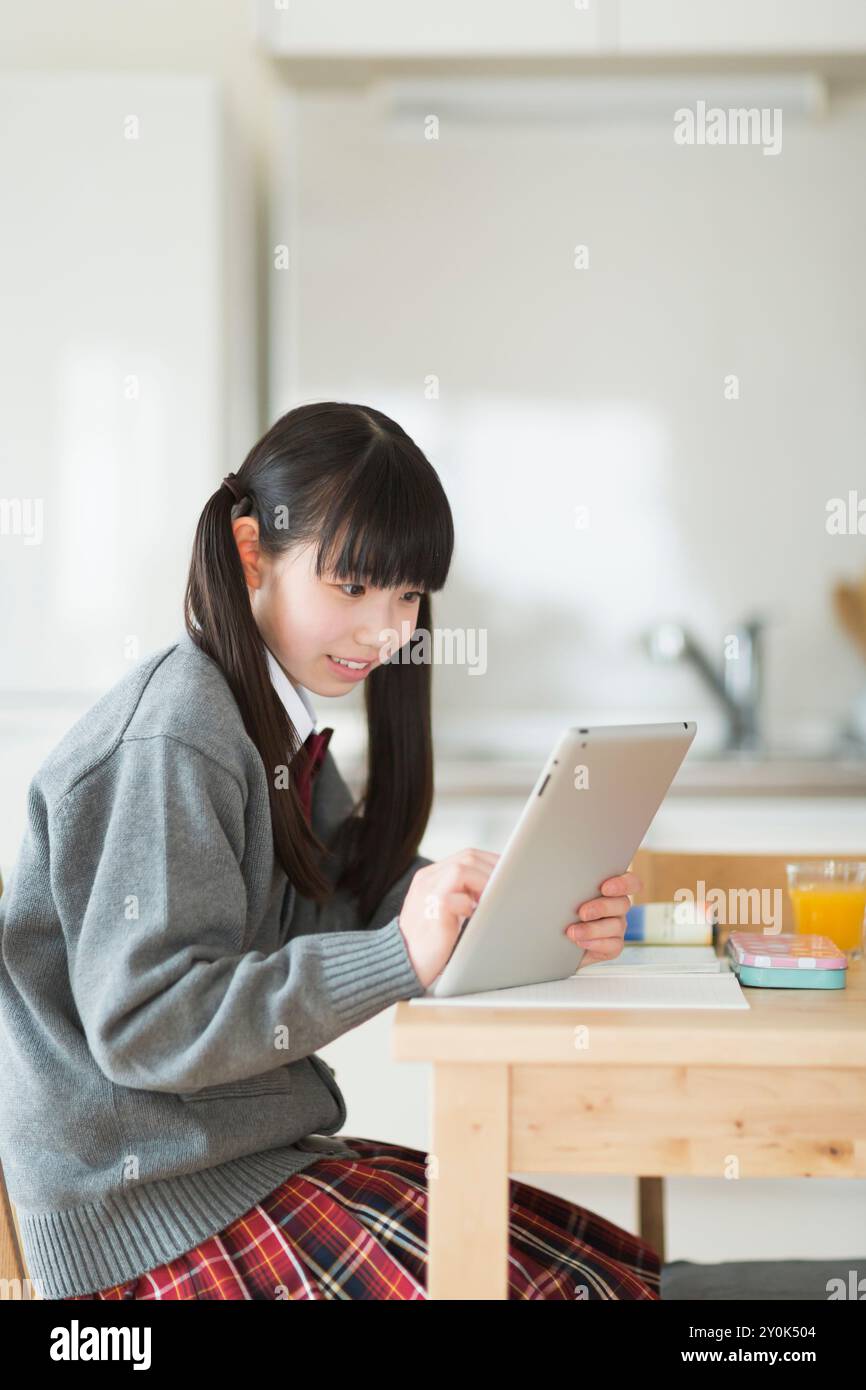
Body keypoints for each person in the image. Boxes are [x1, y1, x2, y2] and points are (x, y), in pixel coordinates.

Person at [0, 401, 657, 1300]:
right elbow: (147, 1024)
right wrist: (397, 956)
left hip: (238, 1169)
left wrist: (508, 911)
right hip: (154, 1221)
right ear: (249, 553)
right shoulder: (177, 737)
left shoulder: (273, 725)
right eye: (352, 587)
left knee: (616, 1274)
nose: (385, 632)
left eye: (408, 596)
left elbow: (349, 888)